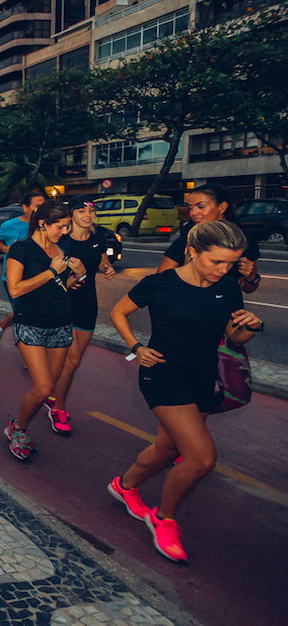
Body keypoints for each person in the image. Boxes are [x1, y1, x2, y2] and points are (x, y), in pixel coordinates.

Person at [108, 220, 262, 563]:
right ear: (193, 252)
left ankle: (124, 486)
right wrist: (136, 347)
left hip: (203, 378)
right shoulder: (160, 284)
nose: (224, 270)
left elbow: (233, 338)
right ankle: (163, 519)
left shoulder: (227, 288)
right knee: (200, 458)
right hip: (163, 375)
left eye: (231, 263)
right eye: (216, 262)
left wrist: (248, 327)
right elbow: (118, 312)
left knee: (166, 448)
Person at [1, 201, 86, 460]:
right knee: (43, 387)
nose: (64, 231)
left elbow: (63, 284)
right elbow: (15, 289)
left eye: (66, 227)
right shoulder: (21, 249)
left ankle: (20, 426)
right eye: (60, 227)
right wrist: (51, 271)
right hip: (30, 322)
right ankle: (18, 428)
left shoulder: (64, 248)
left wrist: (78, 277)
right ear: (42, 224)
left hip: (60, 321)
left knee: (48, 390)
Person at [42, 196, 116, 433]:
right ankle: (57, 406)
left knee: (73, 363)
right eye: (82, 211)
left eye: (92, 211)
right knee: (71, 360)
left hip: (88, 303)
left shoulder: (98, 238)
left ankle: (50, 392)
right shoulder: (62, 242)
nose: (88, 216)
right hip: (63, 303)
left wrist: (108, 268)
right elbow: (54, 279)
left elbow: (102, 260)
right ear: (71, 214)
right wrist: (77, 276)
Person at [158, 184, 260, 293]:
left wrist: (251, 277)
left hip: (225, 308)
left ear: (222, 207)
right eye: (191, 208)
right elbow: (160, 280)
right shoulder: (189, 238)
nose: (193, 213)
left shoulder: (243, 241)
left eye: (200, 207)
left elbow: (247, 288)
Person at [0, 192, 46, 347]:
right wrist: (7, 249)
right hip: (14, 279)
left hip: (39, 277)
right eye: (37, 206)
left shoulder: (45, 225)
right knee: (25, 314)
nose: (41, 209)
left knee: (33, 312)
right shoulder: (11, 225)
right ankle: (31, 351)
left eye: (43, 205)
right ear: (25, 207)